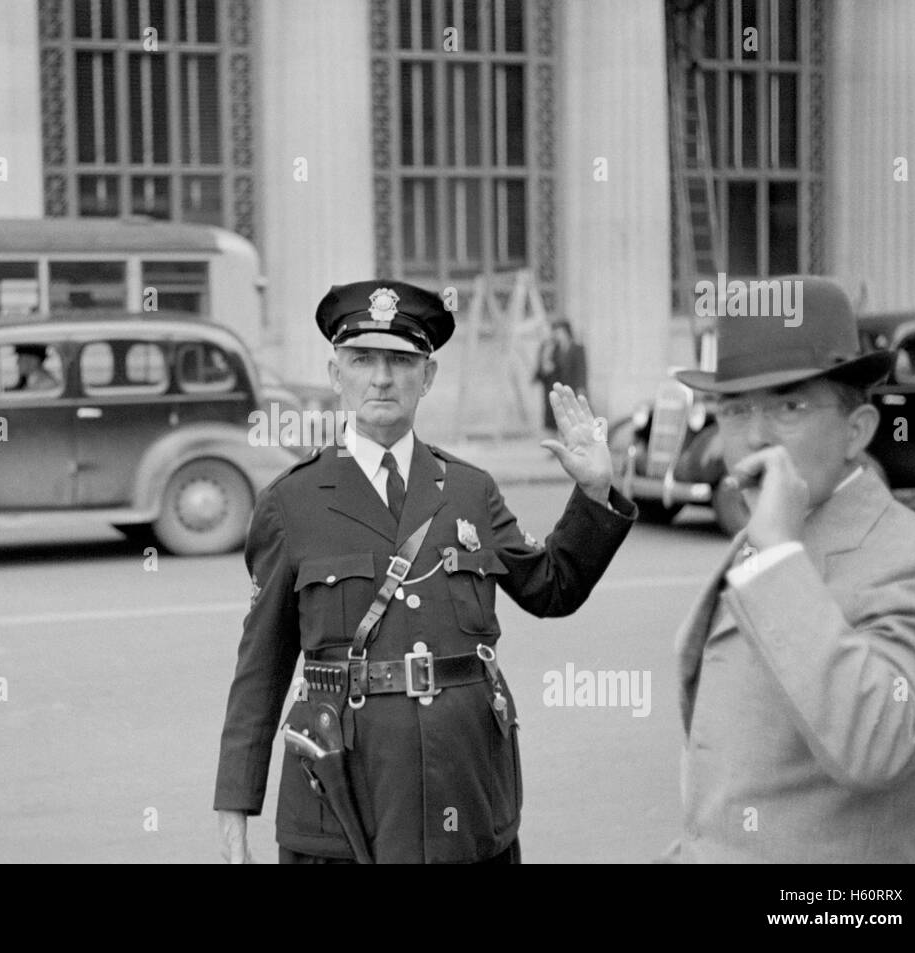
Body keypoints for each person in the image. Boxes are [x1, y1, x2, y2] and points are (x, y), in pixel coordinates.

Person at [214, 280, 637, 864]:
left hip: (463, 784)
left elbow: (551, 588)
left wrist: (594, 491)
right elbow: (261, 669)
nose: (381, 378)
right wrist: (235, 807)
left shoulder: (469, 489)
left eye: (401, 361)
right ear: (336, 374)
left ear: (428, 377)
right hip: (344, 794)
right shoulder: (291, 503)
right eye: (362, 359)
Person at [665, 275, 915, 863]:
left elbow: (878, 743)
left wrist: (776, 558)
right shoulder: (770, 535)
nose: (756, 439)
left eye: (790, 407)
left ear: (857, 431)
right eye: (735, 409)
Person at [532, 320, 587, 432]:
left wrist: (581, 387)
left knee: (574, 416)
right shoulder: (553, 349)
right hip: (558, 388)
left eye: (559, 332)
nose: (557, 335)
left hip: (572, 387)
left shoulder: (577, 348)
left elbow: (581, 369)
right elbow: (546, 368)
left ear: (566, 332)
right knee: (558, 419)